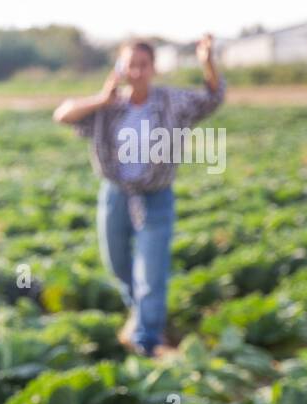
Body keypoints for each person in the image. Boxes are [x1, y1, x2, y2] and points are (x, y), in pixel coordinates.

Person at [53, 35, 225, 356]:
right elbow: (62, 114)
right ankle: (141, 313)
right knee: (117, 263)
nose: (137, 71)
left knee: (151, 270)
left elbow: (213, 98)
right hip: (116, 194)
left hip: (155, 196)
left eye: (143, 65)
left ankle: (147, 340)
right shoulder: (108, 105)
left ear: (153, 68)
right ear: (121, 68)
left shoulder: (171, 101)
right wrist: (101, 98)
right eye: (130, 65)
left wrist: (207, 62)